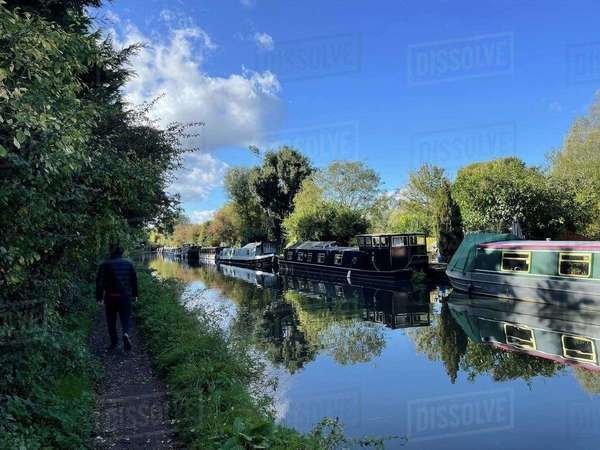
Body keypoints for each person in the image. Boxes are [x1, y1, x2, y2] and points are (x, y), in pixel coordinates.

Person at [96, 243, 138, 351]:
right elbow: (134, 281)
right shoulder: (129, 264)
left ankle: (114, 344)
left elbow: (99, 283)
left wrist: (99, 297)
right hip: (125, 296)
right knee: (126, 318)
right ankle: (126, 333)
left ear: (111, 253)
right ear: (122, 253)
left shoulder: (105, 265)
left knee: (111, 321)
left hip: (110, 297)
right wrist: (135, 295)